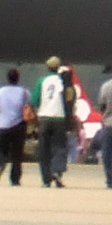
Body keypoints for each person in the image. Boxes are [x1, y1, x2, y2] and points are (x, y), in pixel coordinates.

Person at [35, 58, 74, 187]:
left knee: (44, 149)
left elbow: (35, 100)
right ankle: (57, 170)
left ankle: (46, 179)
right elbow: (70, 99)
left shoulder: (41, 80)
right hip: (59, 118)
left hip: (44, 118)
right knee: (59, 147)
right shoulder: (63, 81)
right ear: (58, 67)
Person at [0, 67, 28, 186]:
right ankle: (15, 179)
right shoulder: (23, 92)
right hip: (18, 126)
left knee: (2, 151)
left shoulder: (1, 91)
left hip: (3, 126)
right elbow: (26, 109)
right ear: (18, 78)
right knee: (17, 154)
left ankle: (1, 164)